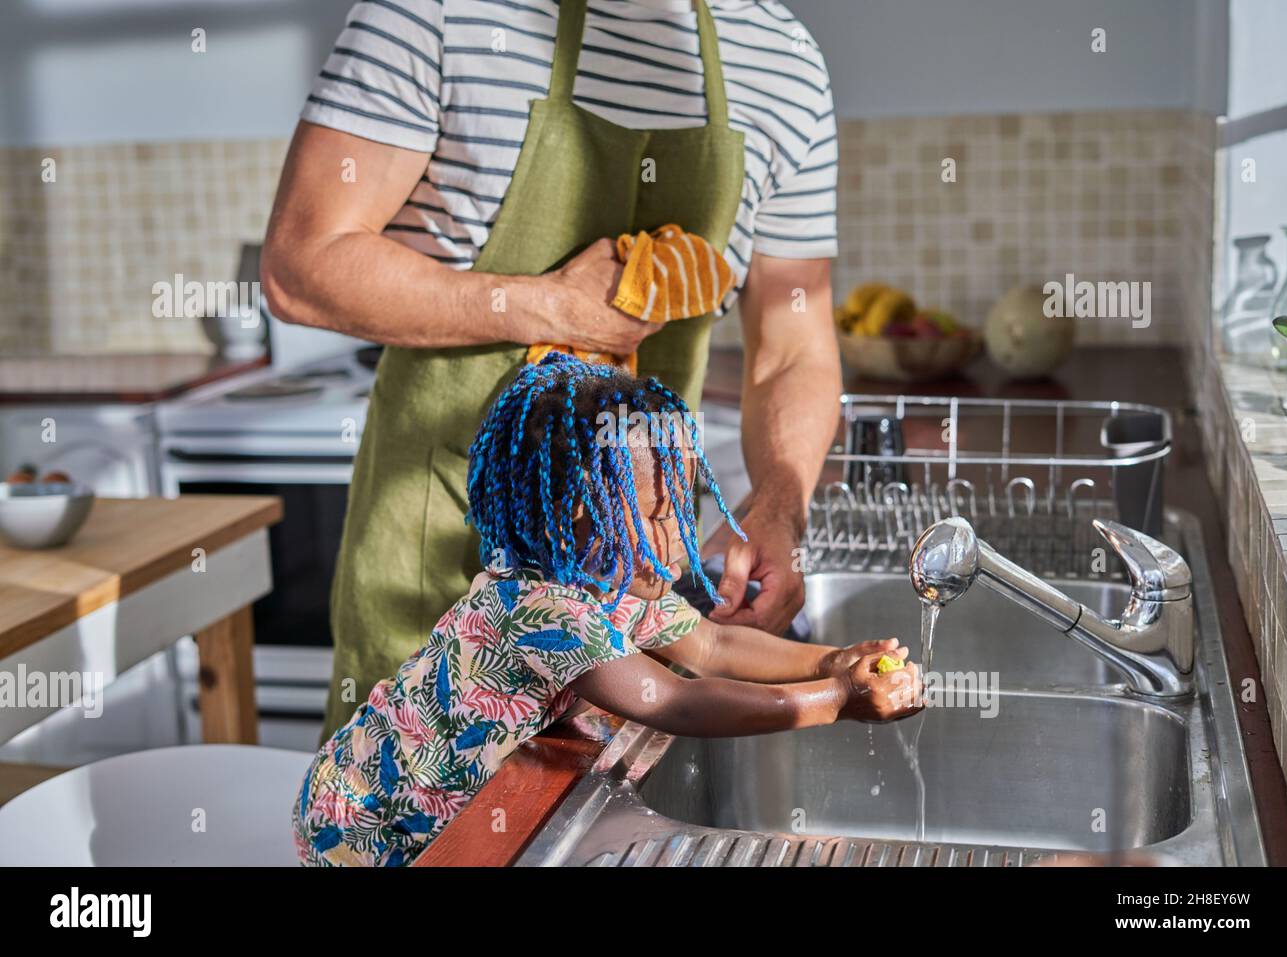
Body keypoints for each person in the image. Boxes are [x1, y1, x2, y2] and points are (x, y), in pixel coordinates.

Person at [261, 0, 843, 736]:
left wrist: (781, 500)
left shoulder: (782, 60)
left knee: (593, 822)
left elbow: (795, 345)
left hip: (630, 572)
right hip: (430, 565)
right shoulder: (436, 11)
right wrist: (550, 308)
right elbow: (300, 262)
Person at [292, 356, 920, 866]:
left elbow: (713, 646)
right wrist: (833, 700)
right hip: (365, 829)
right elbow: (675, 701)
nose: (682, 531)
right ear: (577, 516)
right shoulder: (544, 612)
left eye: (685, 502)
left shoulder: (606, 584)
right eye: (659, 511)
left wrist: (831, 659)